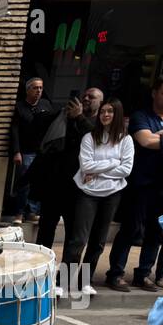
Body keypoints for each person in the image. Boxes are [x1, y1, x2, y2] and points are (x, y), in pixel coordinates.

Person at [106, 74, 163, 292]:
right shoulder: (141, 115)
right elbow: (146, 140)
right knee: (131, 228)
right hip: (142, 182)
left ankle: (143, 274)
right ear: (154, 93)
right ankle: (116, 273)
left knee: (158, 231)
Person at [63, 99, 134, 297]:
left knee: (98, 242)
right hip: (87, 192)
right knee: (78, 240)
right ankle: (62, 281)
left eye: (110, 111)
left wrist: (99, 170)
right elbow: (86, 167)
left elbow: (126, 170)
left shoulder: (125, 140)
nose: (106, 115)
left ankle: (84, 281)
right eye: (103, 111)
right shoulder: (89, 138)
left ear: (117, 114)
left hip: (112, 194)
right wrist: (113, 162)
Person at [32, 87, 101, 255]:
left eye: (91, 97)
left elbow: (97, 142)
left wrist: (79, 117)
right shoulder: (63, 118)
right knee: (45, 232)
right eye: (84, 96)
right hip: (55, 184)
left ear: (100, 102)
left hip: (81, 190)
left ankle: (66, 278)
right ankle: (41, 273)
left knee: (75, 238)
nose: (85, 99)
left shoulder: (98, 124)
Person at [7, 78, 55, 222]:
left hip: (42, 151)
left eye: (40, 88)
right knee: (25, 183)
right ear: (28, 90)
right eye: (35, 88)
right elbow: (14, 130)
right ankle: (20, 212)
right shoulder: (20, 107)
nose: (38, 91)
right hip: (26, 151)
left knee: (38, 182)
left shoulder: (46, 105)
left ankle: (33, 212)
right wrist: (16, 151)